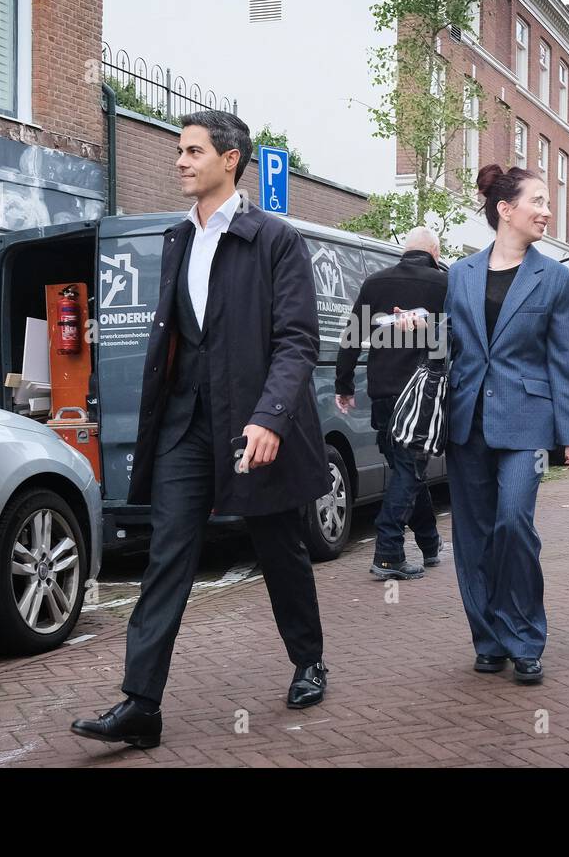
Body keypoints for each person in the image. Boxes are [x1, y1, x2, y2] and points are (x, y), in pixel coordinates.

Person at [71, 111, 331, 749]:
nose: (180, 161)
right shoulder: (176, 239)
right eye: (179, 151)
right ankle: (141, 703)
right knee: (168, 556)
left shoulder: (274, 238)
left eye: (193, 151)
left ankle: (308, 659)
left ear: (230, 160)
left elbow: (297, 341)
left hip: (250, 421)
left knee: (279, 548)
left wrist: (270, 418)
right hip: (188, 421)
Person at [444, 164, 569, 685]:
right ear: (506, 210)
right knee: (473, 534)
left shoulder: (555, 278)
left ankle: (525, 637)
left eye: (548, 202)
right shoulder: (460, 274)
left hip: (527, 420)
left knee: (512, 523)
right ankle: (488, 639)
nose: (547, 211)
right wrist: (416, 330)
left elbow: (564, 359)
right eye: (538, 202)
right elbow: (450, 345)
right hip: (468, 419)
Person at [334, 227, 448, 580]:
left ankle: (429, 543)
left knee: (406, 470)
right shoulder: (444, 285)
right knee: (408, 470)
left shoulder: (375, 283)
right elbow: (449, 340)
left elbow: (351, 336)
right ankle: (387, 552)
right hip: (420, 395)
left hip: (382, 392)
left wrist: (344, 384)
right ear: (435, 253)